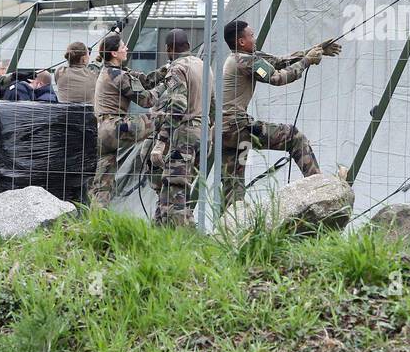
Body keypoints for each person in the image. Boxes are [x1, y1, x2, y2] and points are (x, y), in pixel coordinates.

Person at [220, 19, 340, 202]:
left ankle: (229, 224)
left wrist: (315, 50)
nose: (255, 39)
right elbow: (278, 78)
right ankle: (320, 190)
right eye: (251, 36)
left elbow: (278, 62)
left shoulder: (238, 58)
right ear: (241, 41)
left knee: (233, 185)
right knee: (294, 137)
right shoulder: (245, 61)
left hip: (224, 132)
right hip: (239, 128)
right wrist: (307, 61)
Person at [146, 29, 211, 227]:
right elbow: (215, 103)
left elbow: (178, 106)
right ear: (188, 46)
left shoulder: (177, 68)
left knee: (175, 192)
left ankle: (190, 239)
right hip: (203, 133)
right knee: (168, 192)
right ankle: (159, 236)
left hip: (184, 135)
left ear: (168, 49)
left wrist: (160, 142)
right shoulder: (203, 66)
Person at [90, 33, 164, 205]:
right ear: (114, 53)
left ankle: (97, 217)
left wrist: (165, 71)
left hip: (100, 132)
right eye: (123, 46)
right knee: (161, 116)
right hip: (115, 127)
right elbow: (147, 100)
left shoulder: (111, 72)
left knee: (103, 182)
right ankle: (161, 158)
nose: (126, 49)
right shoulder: (119, 76)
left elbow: (144, 81)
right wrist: (164, 86)